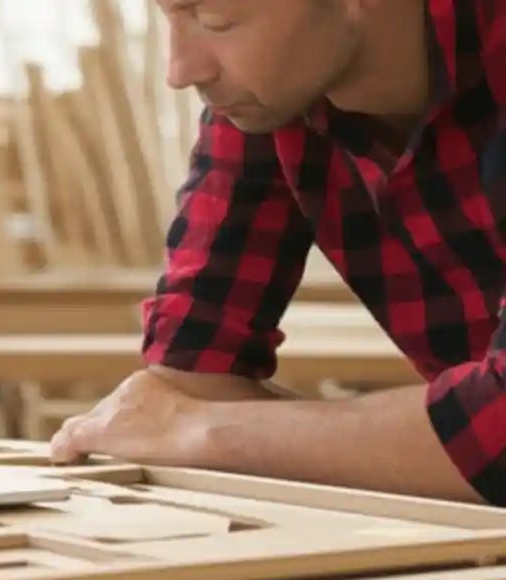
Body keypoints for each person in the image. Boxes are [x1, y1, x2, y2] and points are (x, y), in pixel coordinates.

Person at [49, 0, 506, 507]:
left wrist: (204, 433)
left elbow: (497, 436)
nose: (180, 71)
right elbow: (192, 377)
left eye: (216, 20)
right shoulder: (279, 94)